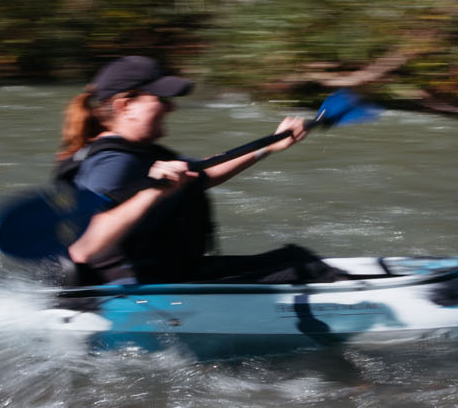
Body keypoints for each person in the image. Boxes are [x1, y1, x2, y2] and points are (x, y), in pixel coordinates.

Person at [54, 56, 343, 286]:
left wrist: (270, 145)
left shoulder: (131, 152)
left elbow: (202, 174)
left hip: (165, 276)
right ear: (126, 106)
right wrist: (151, 193)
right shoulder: (113, 162)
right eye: (161, 99)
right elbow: (84, 248)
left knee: (294, 260)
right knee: (307, 268)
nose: (171, 107)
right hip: (140, 292)